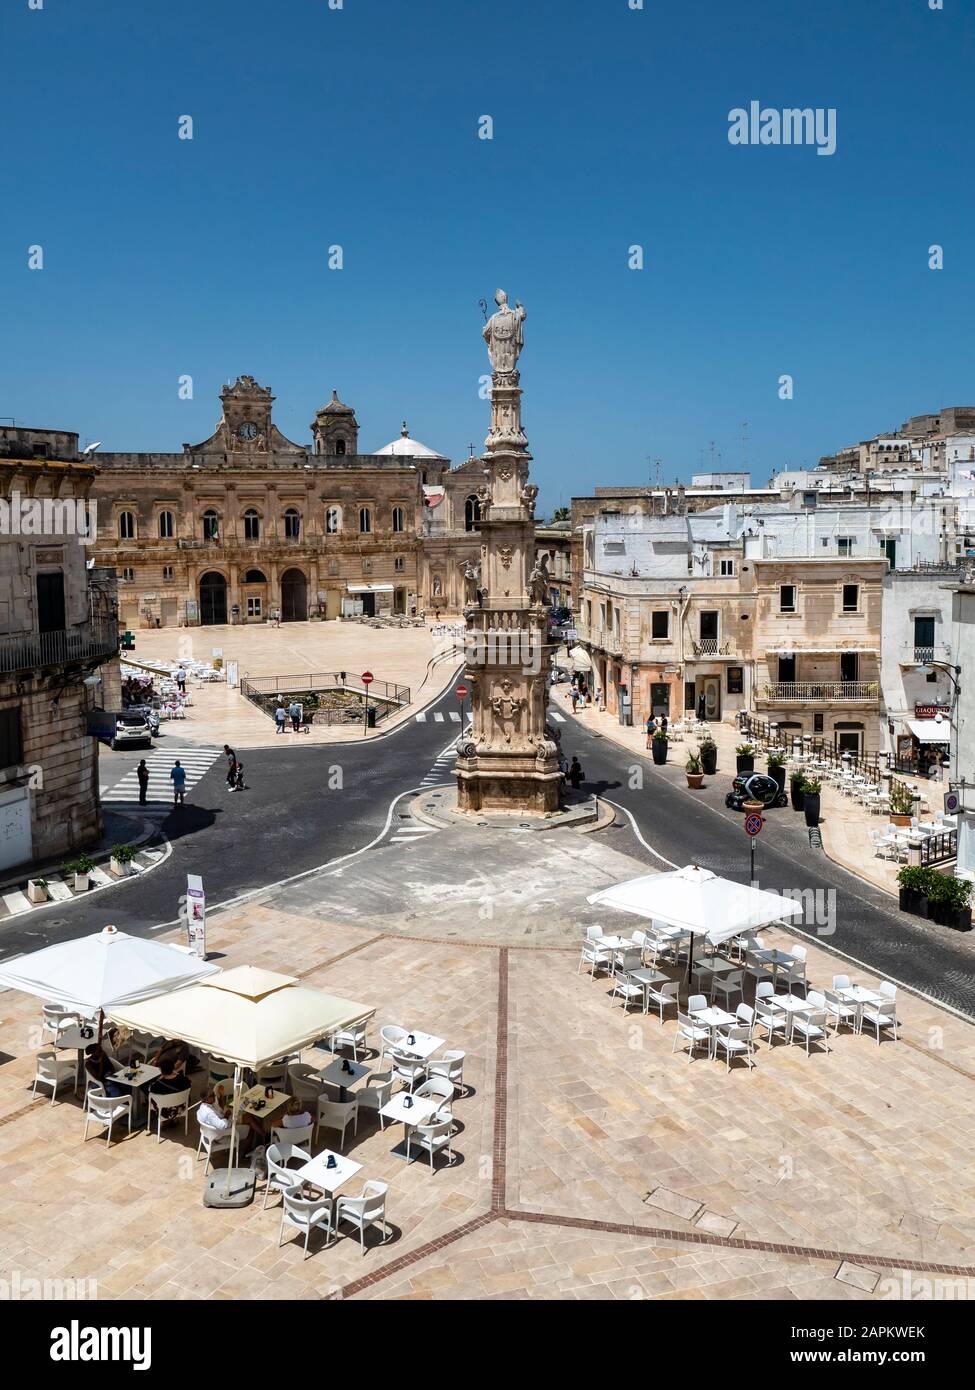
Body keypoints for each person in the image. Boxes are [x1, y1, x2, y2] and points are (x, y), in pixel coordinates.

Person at [197, 1086, 261, 1156]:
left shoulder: (204, 1107)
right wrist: (227, 1116)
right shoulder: (209, 1113)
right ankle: (246, 1150)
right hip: (222, 1135)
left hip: (214, 1130)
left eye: (214, 1093)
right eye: (212, 1095)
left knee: (249, 1117)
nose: (215, 1095)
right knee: (250, 1125)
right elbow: (223, 1126)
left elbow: (220, 1109)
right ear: (206, 1099)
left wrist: (221, 1095)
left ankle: (261, 1136)